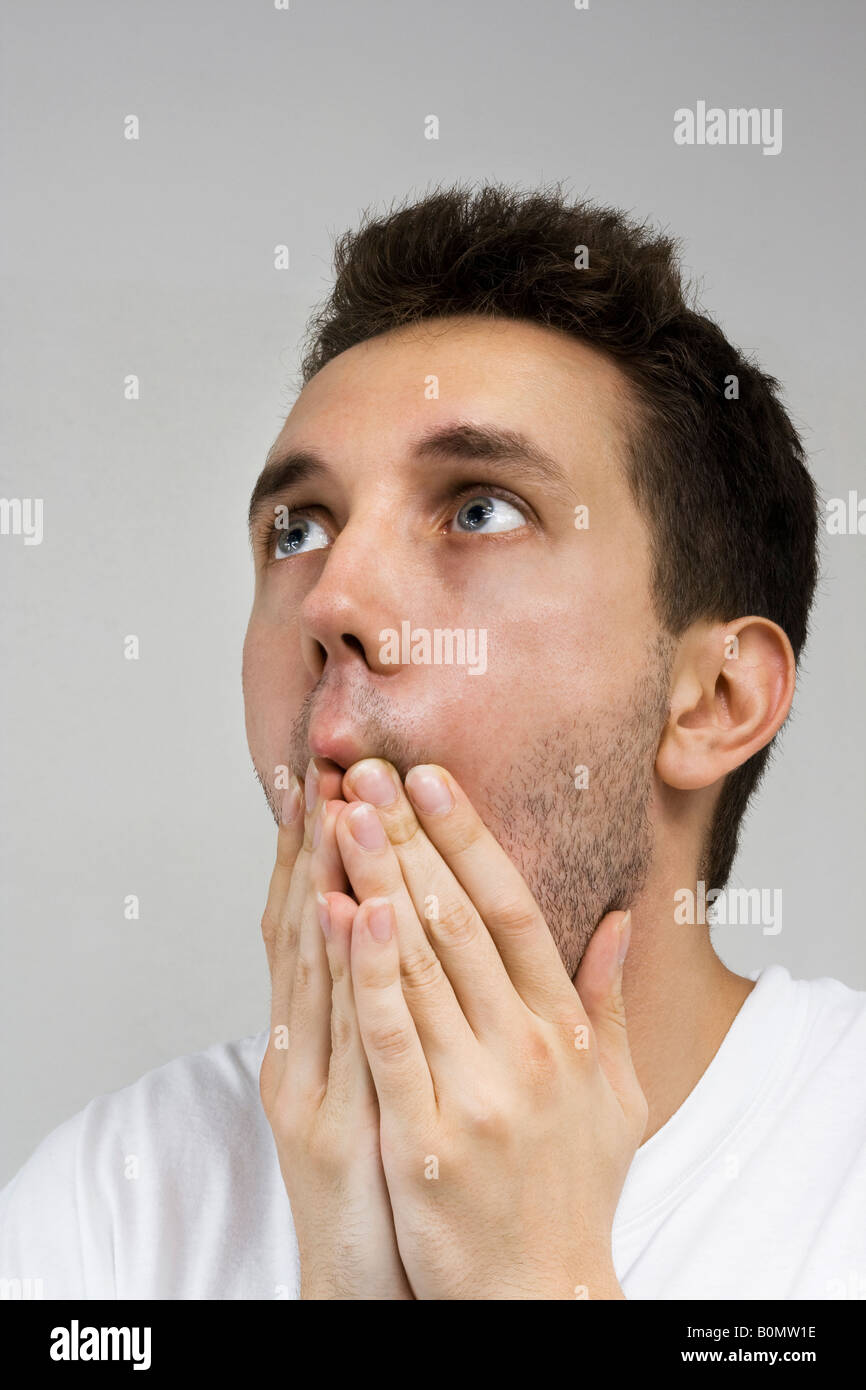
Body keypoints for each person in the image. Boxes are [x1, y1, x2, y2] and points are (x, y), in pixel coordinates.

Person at [2, 184, 864, 1300]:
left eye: (478, 510)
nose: (332, 597)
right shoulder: (107, 1206)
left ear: (711, 699)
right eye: (297, 530)